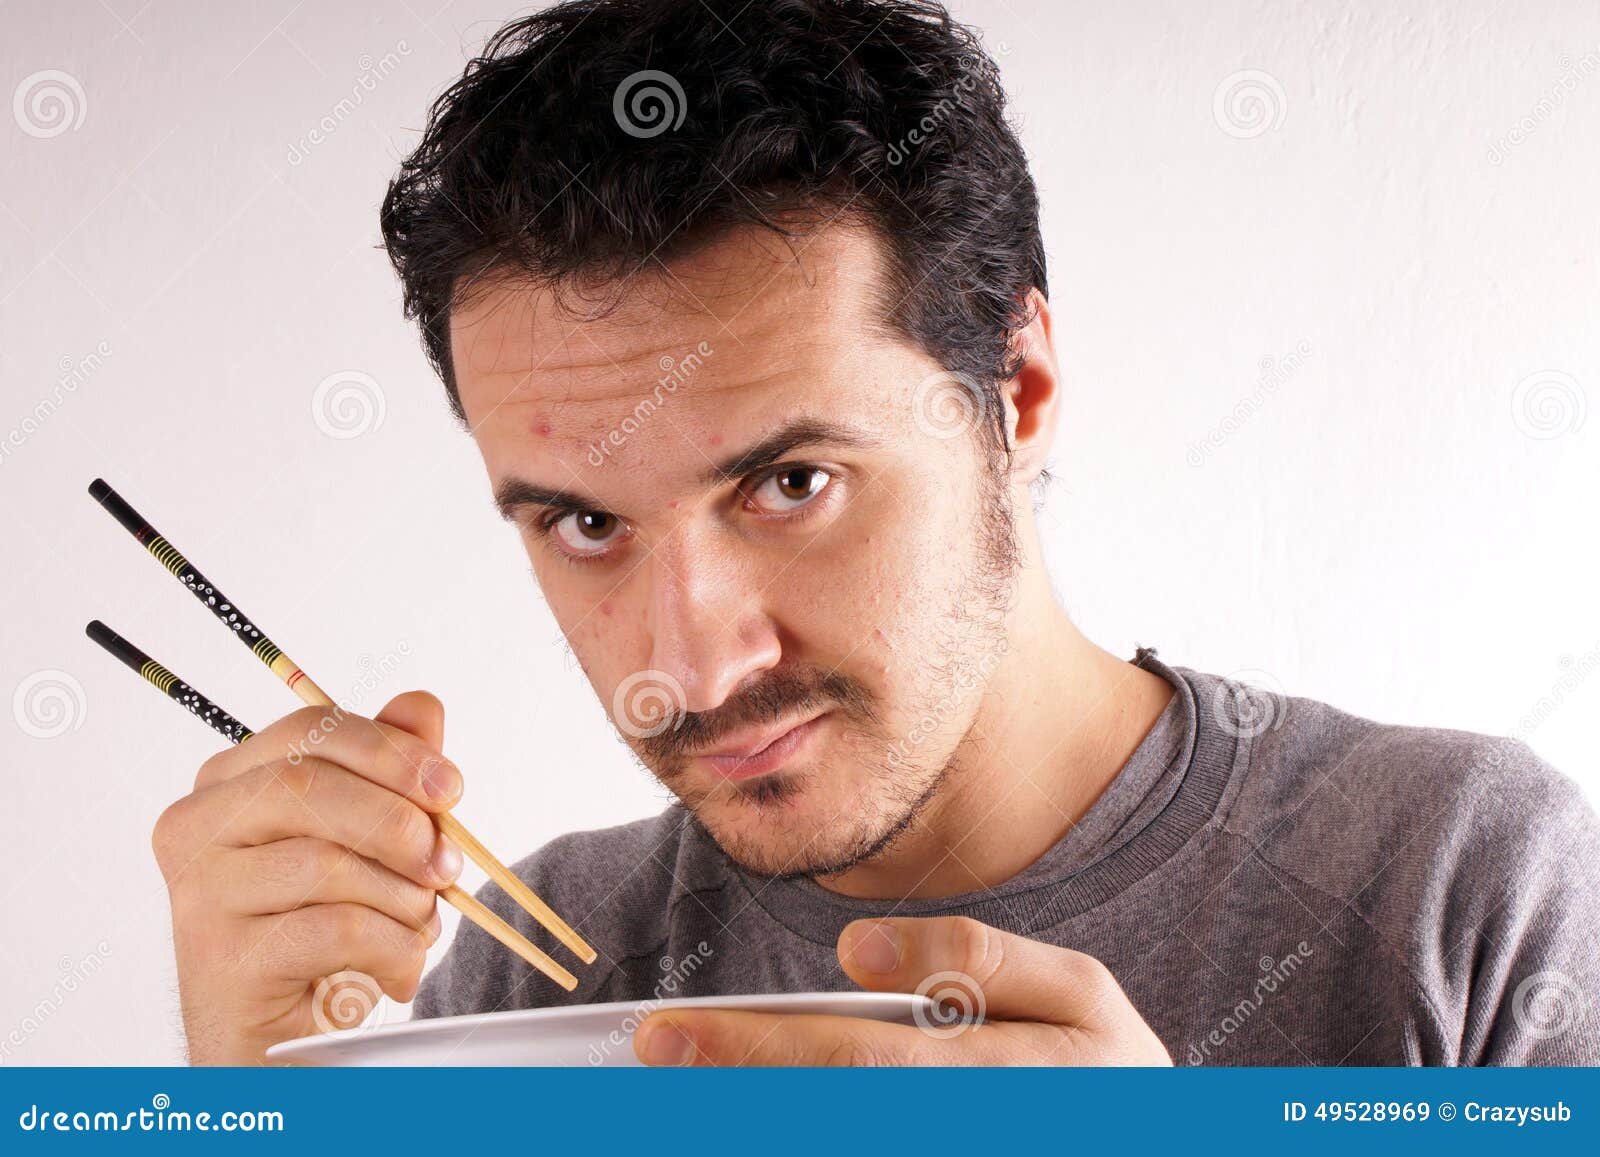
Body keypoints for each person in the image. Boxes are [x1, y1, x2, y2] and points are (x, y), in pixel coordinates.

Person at [150, 0, 1600, 1066]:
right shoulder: (548, 972)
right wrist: (259, 1095)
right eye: (587, 520)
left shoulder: (1459, 882)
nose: (691, 667)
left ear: (1017, 394)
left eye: (790, 483)